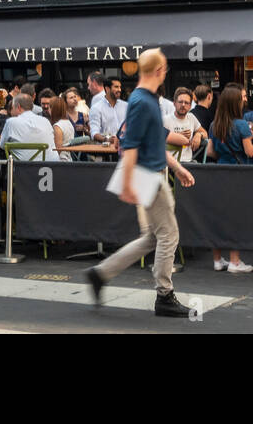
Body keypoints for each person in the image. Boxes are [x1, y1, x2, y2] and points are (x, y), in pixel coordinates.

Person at [85, 48, 197, 318]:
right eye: (165, 68)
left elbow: (151, 142)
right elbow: (132, 144)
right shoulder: (144, 102)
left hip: (147, 172)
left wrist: (177, 167)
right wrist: (127, 184)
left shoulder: (142, 99)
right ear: (159, 71)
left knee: (152, 238)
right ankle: (164, 296)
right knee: (169, 235)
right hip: (146, 175)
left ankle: (101, 274)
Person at [205, 83, 253, 273]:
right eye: (241, 98)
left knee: (219, 216)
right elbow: (250, 152)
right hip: (238, 175)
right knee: (236, 217)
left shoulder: (214, 124)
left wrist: (223, 155)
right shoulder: (242, 125)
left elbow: (210, 151)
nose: (244, 100)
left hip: (220, 172)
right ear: (235, 103)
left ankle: (218, 260)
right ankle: (235, 261)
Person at [1, 93, 58, 160]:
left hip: (23, 168)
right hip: (50, 167)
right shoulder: (45, 121)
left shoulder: (11, 122)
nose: (11, 111)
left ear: (18, 107)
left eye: (12, 107)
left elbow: (3, 146)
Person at [164, 87, 205, 162]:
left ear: (190, 106)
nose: (183, 105)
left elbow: (205, 133)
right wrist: (176, 137)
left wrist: (199, 135)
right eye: (180, 102)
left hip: (189, 163)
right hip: (170, 163)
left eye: (186, 103)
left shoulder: (191, 117)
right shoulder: (165, 120)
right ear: (174, 103)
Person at [89, 77, 127, 143]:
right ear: (107, 89)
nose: (119, 90)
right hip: (106, 149)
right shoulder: (96, 108)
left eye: (120, 87)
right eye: (116, 87)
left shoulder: (126, 106)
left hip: (124, 147)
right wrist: (107, 140)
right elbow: (94, 133)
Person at [48, 96, 76, 161]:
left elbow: (58, 150)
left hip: (61, 162)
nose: (48, 109)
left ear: (53, 109)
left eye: (49, 107)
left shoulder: (57, 126)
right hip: (69, 158)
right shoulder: (68, 122)